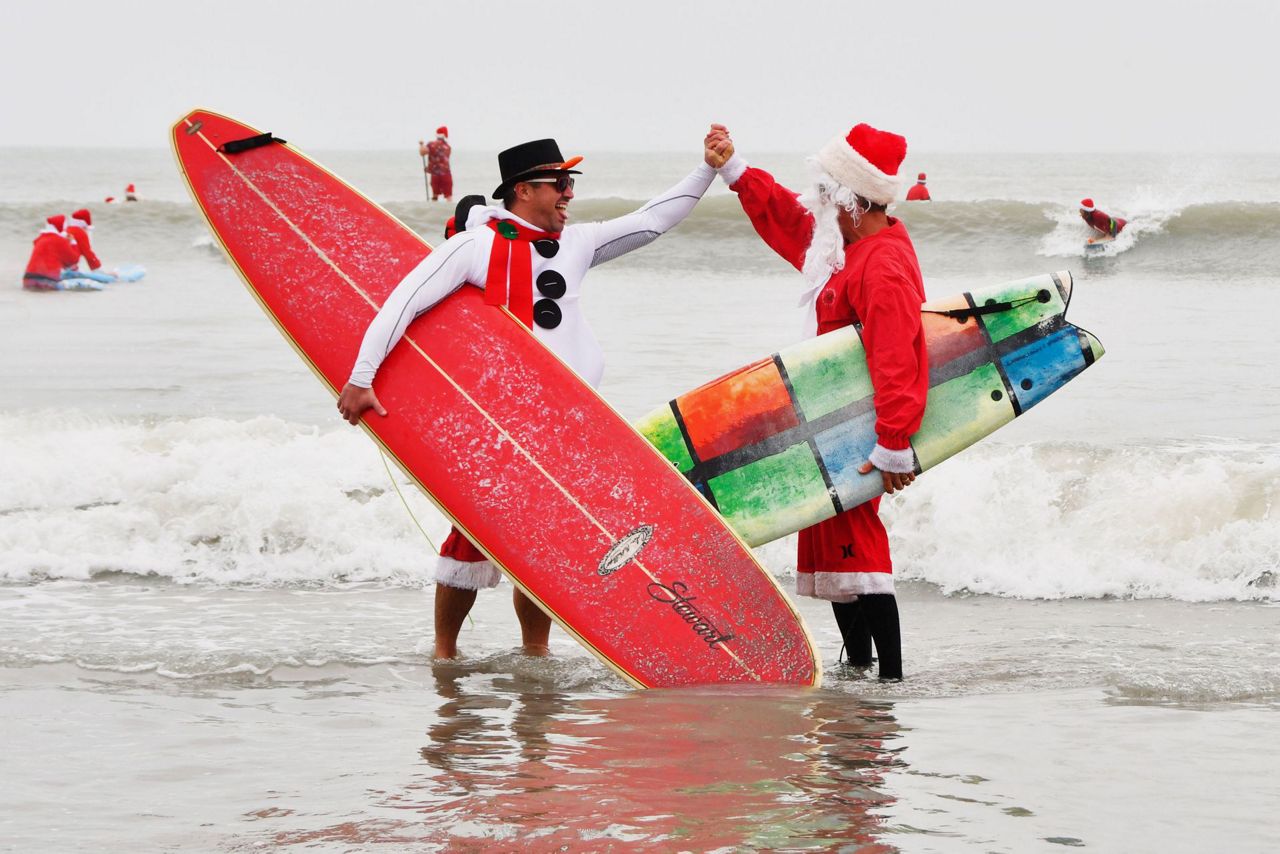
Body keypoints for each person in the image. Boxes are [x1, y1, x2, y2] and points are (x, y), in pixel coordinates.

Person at [336, 137, 721, 659]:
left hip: (570, 424)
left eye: (570, 183)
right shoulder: (475, 247)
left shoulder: (578, 242)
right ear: (523, 190)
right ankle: (444, 653)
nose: (569, 193)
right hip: (503, 427)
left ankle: (535, 654)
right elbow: (403, 303)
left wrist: (707, 169)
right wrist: (362, 378)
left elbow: (652, 220)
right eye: (559, 183)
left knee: (546, 541)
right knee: (470, 537)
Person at [704, 122, 928, 681]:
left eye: (825, 191)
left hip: (861, 429)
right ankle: (859, 668)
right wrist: (736, 170)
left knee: (859, 545)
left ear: (852, 199)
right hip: (828, 426)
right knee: (832, 542)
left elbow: (898, 356)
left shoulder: (881, 265)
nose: (817, 200)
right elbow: (790, 220)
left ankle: (891, 681)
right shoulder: (843, 246)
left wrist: (894, 440)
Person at [22, 215, 82, 290]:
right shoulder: (60, 241)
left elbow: (52, 255)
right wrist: (73, 242)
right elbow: (73, 260)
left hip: (28, 279)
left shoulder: (40, 239)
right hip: (47, 280)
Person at [419, 127, 453, 202]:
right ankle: (450, 208)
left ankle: (433, 207)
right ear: (445, 135)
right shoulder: (448, 147)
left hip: (435, 174)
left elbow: (422, 152)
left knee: (435, 196)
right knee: (448, 196)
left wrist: (421, 145)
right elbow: (442, 161)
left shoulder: (431, 145)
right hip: (446, 174)